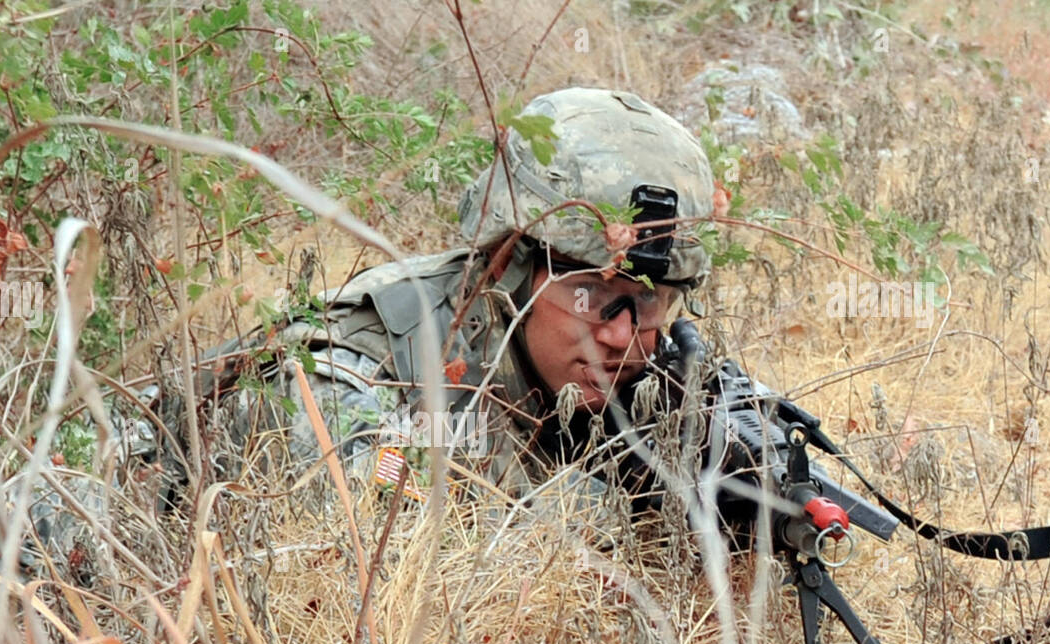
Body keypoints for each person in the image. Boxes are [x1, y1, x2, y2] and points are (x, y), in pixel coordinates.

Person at [194, 87, 717, 510]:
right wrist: (633, 511)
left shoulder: (640, 367)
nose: (621, 335)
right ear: (508, 266)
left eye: (648, 301)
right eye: (589, 292)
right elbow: (393, 512)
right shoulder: (360, 359)